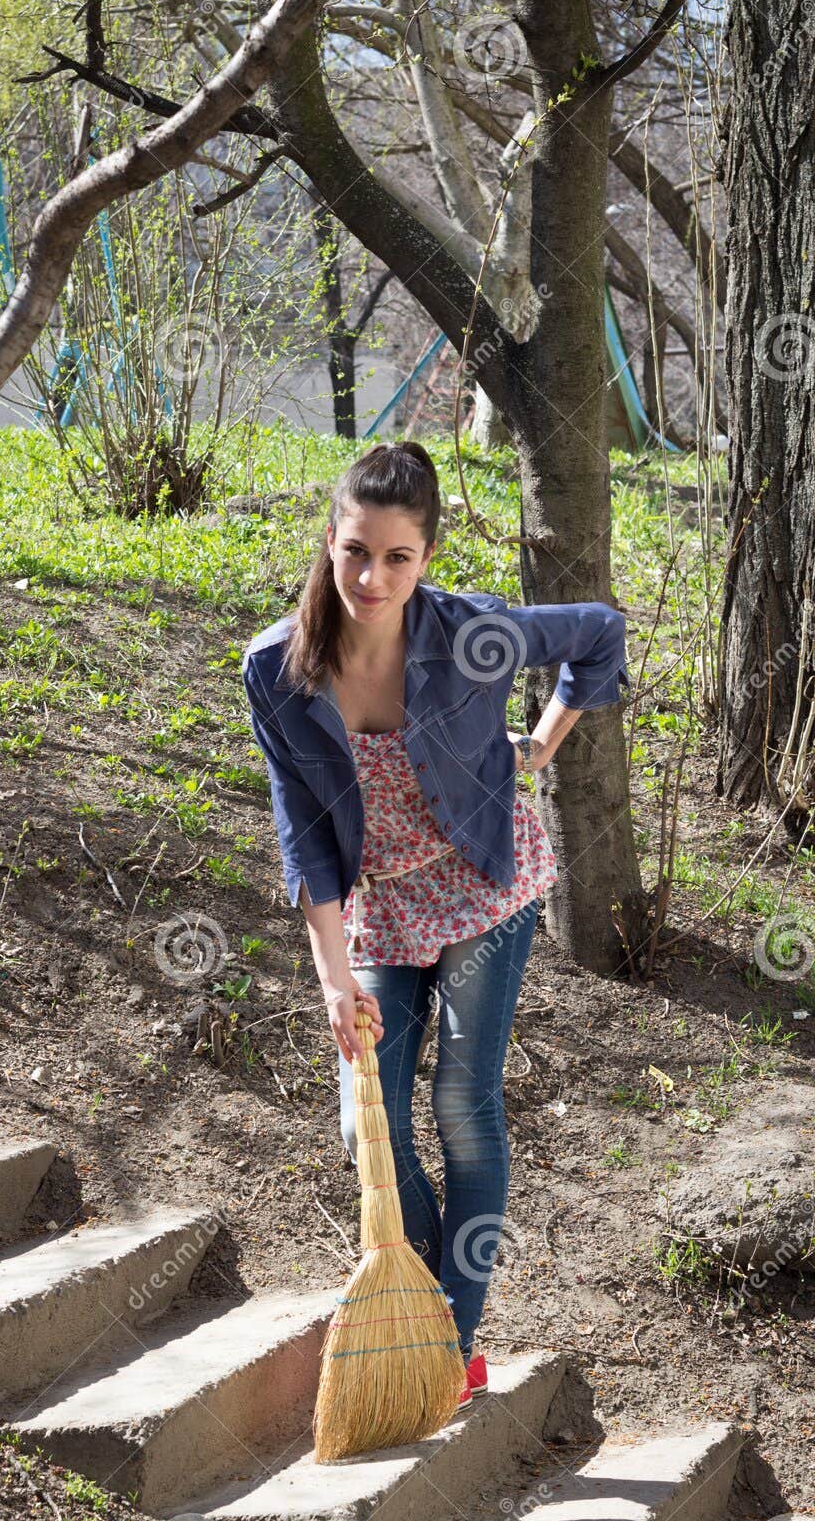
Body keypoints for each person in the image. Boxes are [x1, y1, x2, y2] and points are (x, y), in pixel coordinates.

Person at [241, 441, 629, 1411]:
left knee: (462, 1104)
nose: (372, 578)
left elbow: (595, 635)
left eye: (397, 558)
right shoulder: (275, 669)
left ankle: (448, 1348)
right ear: (329, 541)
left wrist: (537, 745)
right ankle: (409, 1303)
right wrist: (331, 975)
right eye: (355, 552)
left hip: (486, 884)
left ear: (425, 558)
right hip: (379, 906)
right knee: (361, 1117)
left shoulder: (471, 634)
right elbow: (304, 832)